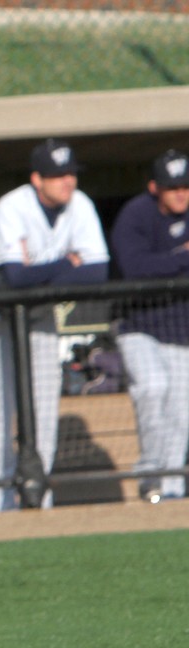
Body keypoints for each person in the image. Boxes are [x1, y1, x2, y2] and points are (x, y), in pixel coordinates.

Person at [0, 138, 109, 513]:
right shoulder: (11, 207)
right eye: (57, 175)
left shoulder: (80, 205)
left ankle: (40, 502)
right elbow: (15, 277)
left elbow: (97, 272)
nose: (67, 181)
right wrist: (69, 263)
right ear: (37, 179)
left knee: (44, 409)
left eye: (70, 174)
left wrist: (44, 274)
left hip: (40, 313)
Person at [109, 148, 189, 504]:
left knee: (182, 411)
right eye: (173, 187)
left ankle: (170, 490)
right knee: (153, 388)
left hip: (181, 329)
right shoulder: (136, 214)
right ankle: (149, 474)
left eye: (186, 186)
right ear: (154, 187)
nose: (181, 193)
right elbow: (134, 267)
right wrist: (181, 258)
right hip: (137, 324)